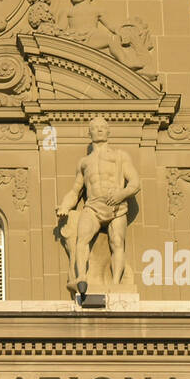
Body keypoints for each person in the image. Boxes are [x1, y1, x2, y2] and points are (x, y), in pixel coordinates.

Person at [56, 116, 140, 290]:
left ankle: (116, 284)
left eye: (103, 127)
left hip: (117, 207)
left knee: (117, 242)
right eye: (95, 127)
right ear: (89, 132)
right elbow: (75, 191)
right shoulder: (84, 163)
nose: (99, 129)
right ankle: (81, 277)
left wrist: (121, 194)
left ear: (108, 131)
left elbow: (135, 183)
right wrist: (65, 206)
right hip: (93, 207)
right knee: (81, 239)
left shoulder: (120, 156)